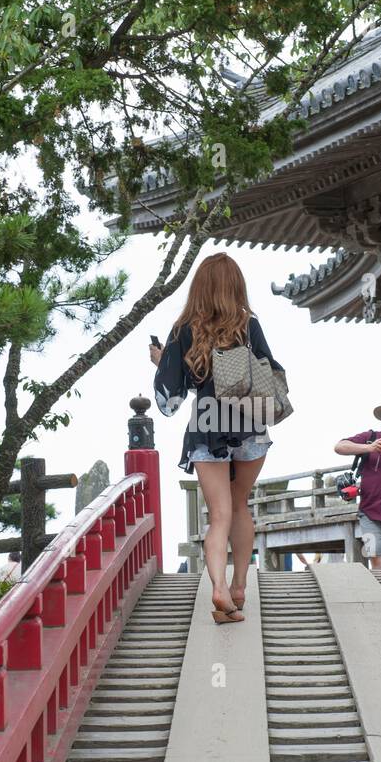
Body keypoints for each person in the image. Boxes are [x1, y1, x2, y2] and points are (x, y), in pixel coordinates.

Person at [150, 252, 285, 623]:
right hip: (248, 423)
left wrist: (163, 360)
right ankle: (241, 585)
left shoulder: (183, 330)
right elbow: (268, 372)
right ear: (235, 285)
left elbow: (172, 395)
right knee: (240, 506)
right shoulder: (248, 325)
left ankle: (219, 588)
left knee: (219, 515)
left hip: (207, 424)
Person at [334, 397, 381, 570]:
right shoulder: (371, 437)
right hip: (370, 511)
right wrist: (369, 448)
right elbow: (339, 446)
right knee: (374, 553)